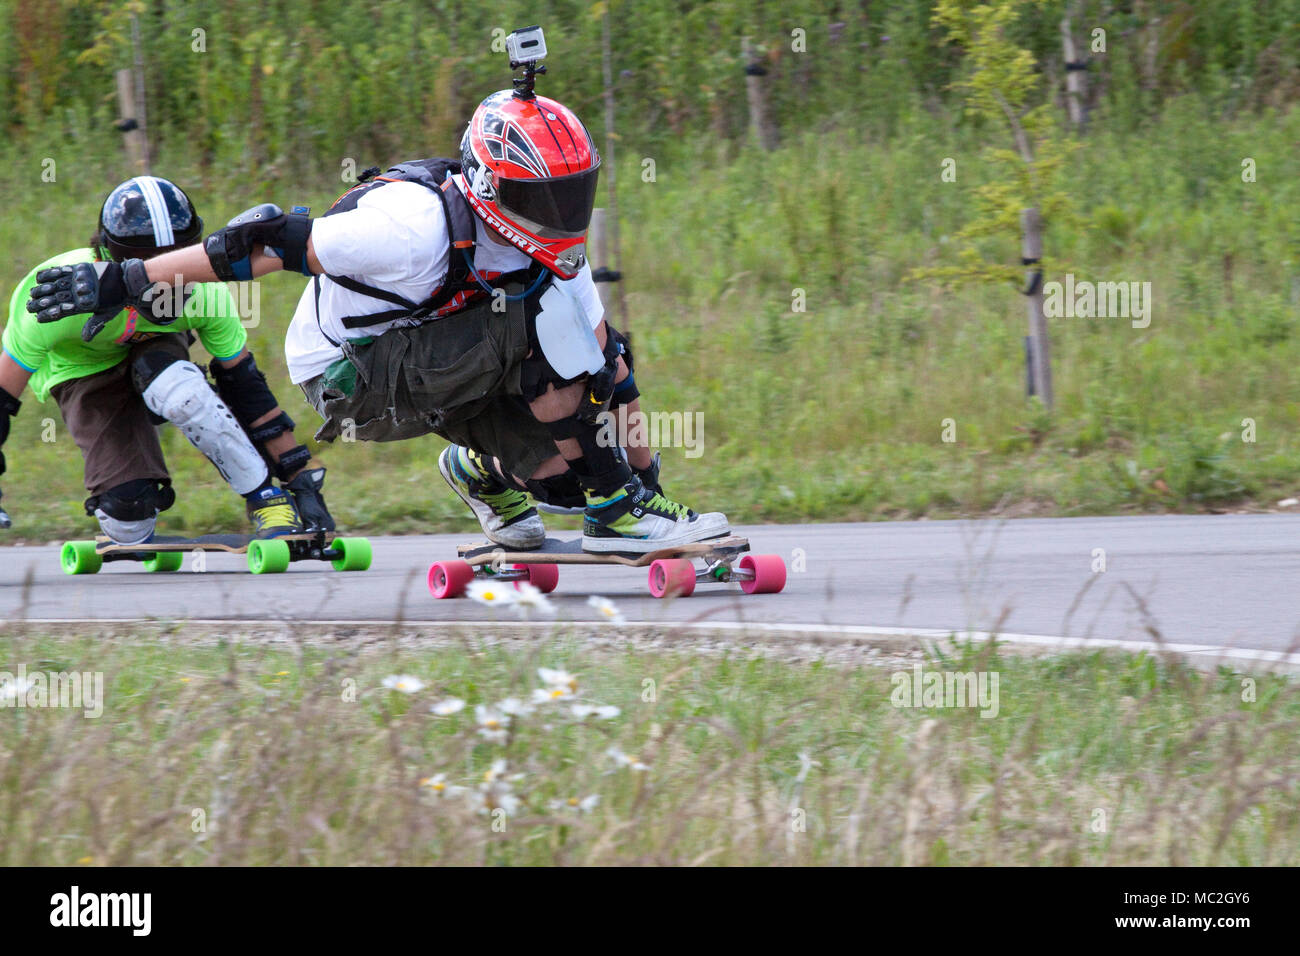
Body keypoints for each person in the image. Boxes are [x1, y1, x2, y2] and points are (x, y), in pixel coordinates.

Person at [27, 92, 727, 553]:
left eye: (574, 193)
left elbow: (611, 367)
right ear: (487, 187)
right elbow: (262, 241)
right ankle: (613, 517)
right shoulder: (409, 227)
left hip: (441, 365)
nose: (562, 213)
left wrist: (650, 486)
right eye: (542, 196)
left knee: (566, 476)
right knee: (540, 320)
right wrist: (119, 279)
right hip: (348, 375)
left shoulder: (556, 254)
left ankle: (489, 474)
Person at [3, 176, 332, 543]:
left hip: (158, 358)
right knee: (128, 518)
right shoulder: (54, 297)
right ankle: (129, 504)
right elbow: (3, 398)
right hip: (81, 371)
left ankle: (264, 498)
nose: (167, 284)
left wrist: (299, 477)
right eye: (147, 271)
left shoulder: (207, 292)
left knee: (183, 393)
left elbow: (247, 389)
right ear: (108, 260)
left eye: (180, 266)